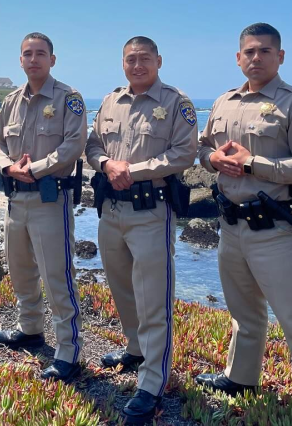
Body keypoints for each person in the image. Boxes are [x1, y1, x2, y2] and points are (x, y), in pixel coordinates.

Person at [195, 23, 292, 426]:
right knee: (243, 314)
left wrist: (252, 163)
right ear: (238, 57)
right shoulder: (224, 101)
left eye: (264, 51)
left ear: (280, 56)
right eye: (249, 51)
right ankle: (240, 378)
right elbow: (204, 147)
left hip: (276, 231)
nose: (255, 58)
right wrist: (212, 159)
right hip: (230, 227)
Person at [85, 36, 198, 423]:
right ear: (123, 63)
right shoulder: (110, 101)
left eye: (144, 59)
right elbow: (93, 145)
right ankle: (135, 349)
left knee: (153, 297)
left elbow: (184, 153)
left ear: (158, 61)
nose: (137, 65)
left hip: (151, 212)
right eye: (131, 59)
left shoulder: (176, 102)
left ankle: (152, 382)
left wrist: (132, 170)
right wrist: (106, 165)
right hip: (111, 210)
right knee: (121, 286)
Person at [0, 32, 87, 382]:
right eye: (27, 54)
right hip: (16, 199)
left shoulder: (68, 99)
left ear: (52, 60)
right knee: (20, 269)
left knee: (57, 276)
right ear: (20, 60)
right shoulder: (11, 101)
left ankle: (68, 352)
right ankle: (29, 329)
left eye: (40, 53)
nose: (34, 59)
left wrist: (36, 168)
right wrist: (8, 167)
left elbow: (74, 144)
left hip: (50, 199)